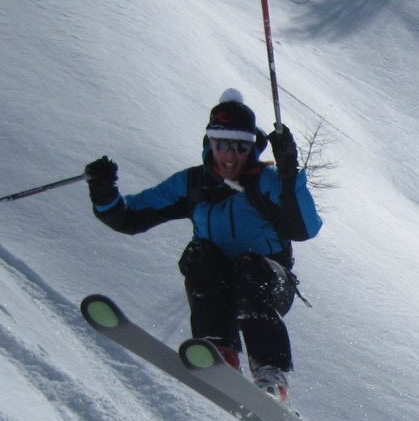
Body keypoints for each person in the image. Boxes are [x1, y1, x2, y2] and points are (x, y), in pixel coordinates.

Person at [85, 89, 321, 404]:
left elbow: (304, 229)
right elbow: (129, 217)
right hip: (220, 290)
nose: (229, 155)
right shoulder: (193, 184)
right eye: (221, 144)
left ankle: (271, 375)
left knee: (248, 267)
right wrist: (103, 193)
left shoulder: (266, 181)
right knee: (199, 255)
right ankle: (220, 354)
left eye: (239, 147)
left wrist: (290, 175)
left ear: (251, 147)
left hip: (269, 285)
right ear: (209, 143)